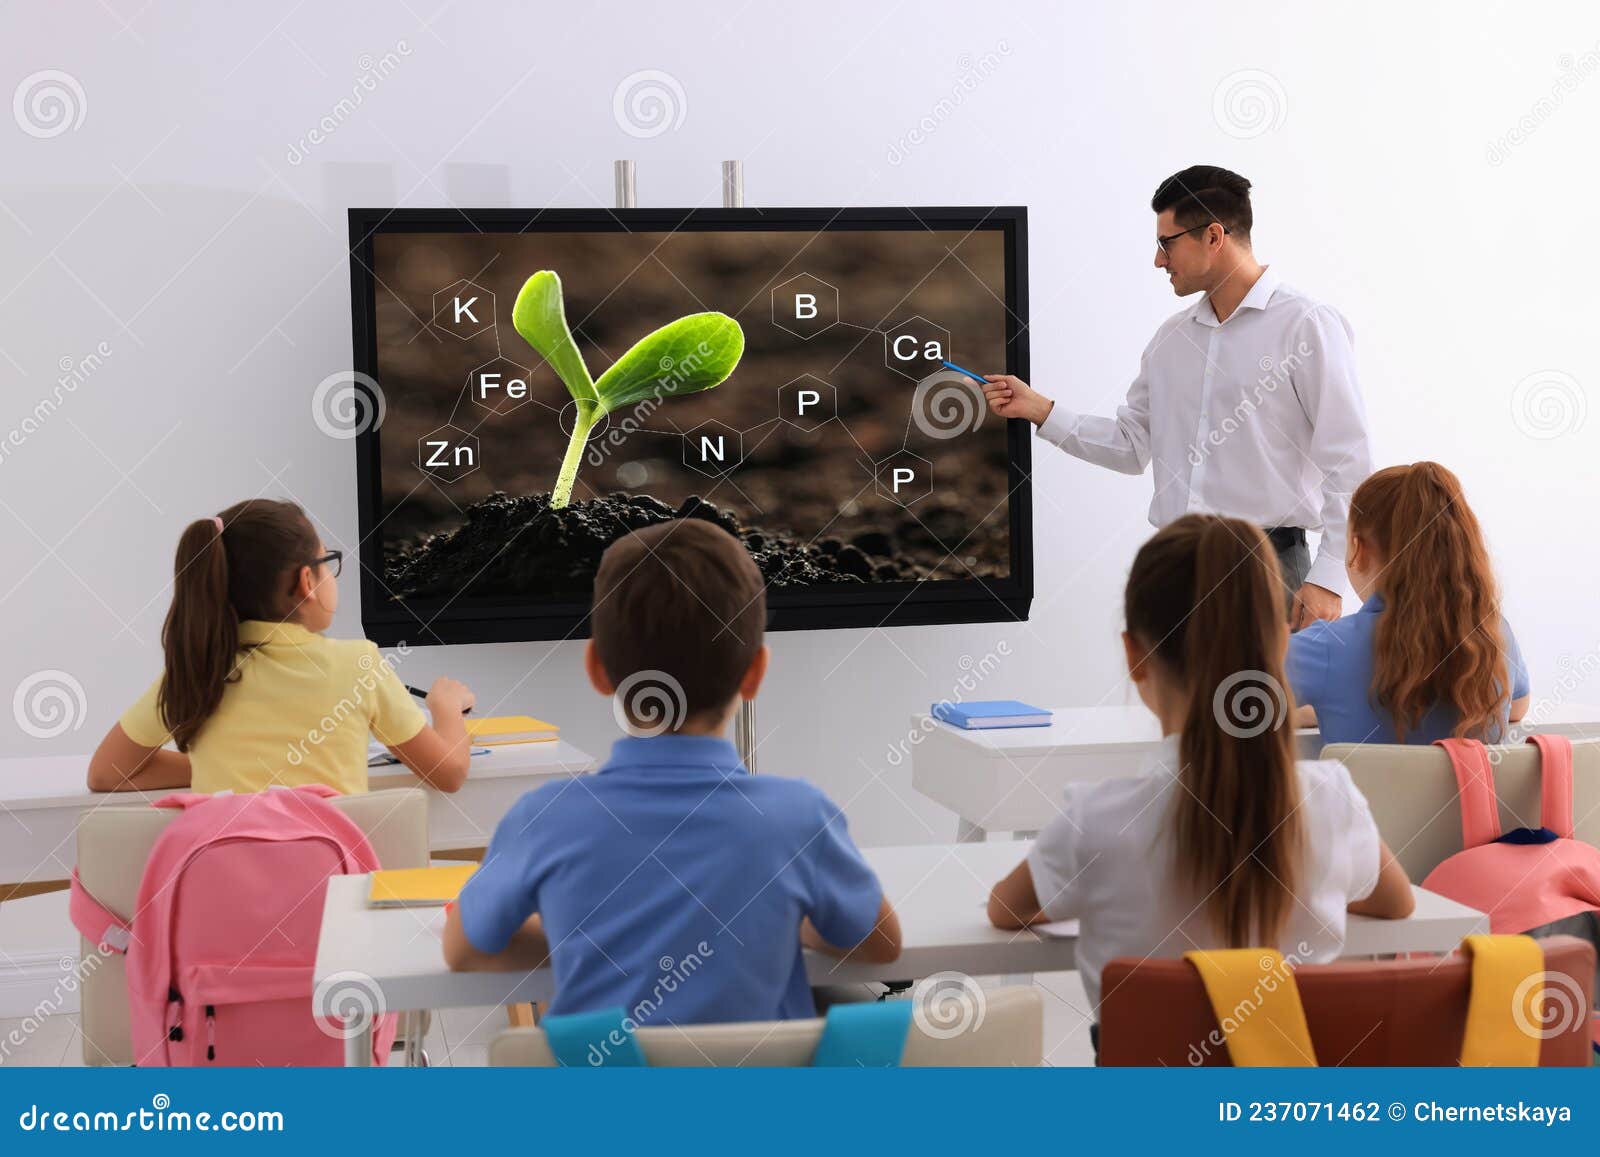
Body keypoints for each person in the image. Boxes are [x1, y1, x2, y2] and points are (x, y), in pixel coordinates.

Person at [442, 517, 901, 1023]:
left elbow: (465, 950)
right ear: (756, 673)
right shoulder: (800, 817)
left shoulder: (544, 816)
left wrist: (590, 938)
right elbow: (880, 945)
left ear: (596, 669)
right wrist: (773, 921)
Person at [987, 514, 1413, 1053]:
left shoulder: (1093, 821)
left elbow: (1006, 909)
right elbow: (1396, 903)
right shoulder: (1332, 799)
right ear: (1279, 647)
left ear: (1135, 656)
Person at [982, 165, 1372, 628]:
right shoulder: (1171, 340)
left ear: (1213, 236)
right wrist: (1039, 410)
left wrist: (1329, 578)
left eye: (1166, 243)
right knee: (1168, 681)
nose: (1158, 261)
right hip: (1176, 571)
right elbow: (1132, 446)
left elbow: (1348, 462)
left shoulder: (1307, 326)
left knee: (1267, 682)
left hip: (1269, 572)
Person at [87, 498, 474, 794]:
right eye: (327, 561)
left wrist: (225, 766)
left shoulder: (196, 670)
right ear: (307, 581)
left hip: (224, 880)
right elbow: (449, 773)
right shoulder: (359, 664)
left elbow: (106, 774)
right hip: (337, 879)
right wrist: (446, 708)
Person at [1287, 461, 1530, 745]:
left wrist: (1324, 706)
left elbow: (1248, 703)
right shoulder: (1495, 633)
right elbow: (1517, 707)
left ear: (1358, 549)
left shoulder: (1324, 647)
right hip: (1473, 778)